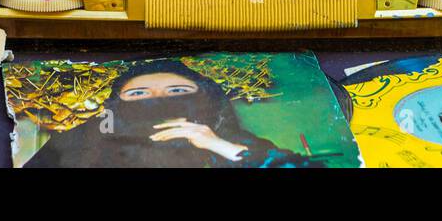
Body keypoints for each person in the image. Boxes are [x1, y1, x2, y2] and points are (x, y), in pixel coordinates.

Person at [23, 59, 321, 167]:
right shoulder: (79, 147)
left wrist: (217, 144)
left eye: (177, 91)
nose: (158, 102)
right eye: (138, 95)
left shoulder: (228, 146)